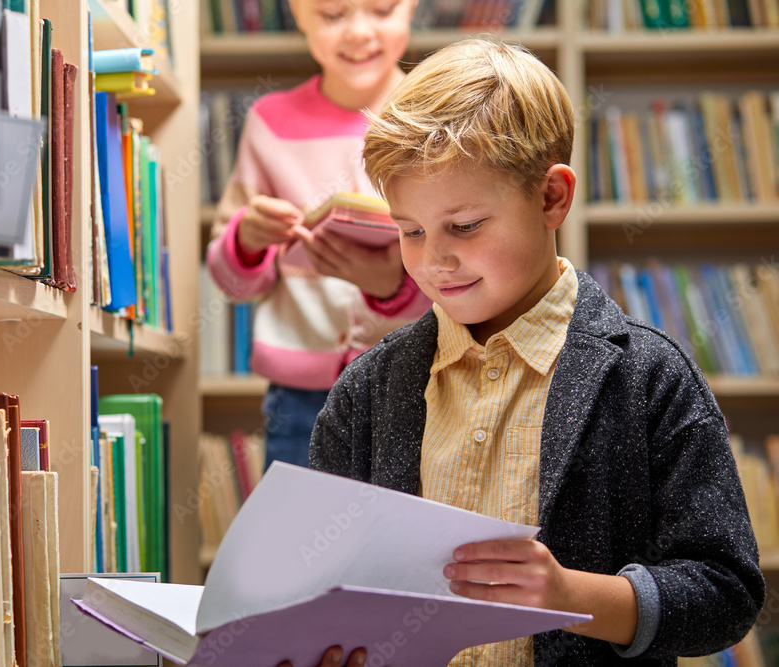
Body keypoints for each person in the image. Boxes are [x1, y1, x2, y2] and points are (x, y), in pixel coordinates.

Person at [284, 36, 765, 666]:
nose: (434, 260)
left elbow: (725, 592)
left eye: (464, 226)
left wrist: (571, 595)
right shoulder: (368, 390)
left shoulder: (648, 378)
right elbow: (323, 586)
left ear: (551, 198)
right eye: (411, 231)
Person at [205, 0, 430, 470]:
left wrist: (394, 288)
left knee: (408, 538)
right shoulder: (270, 123)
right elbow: (232, 283)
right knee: (301, 538)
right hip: (300, 398)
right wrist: (247, 239)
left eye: (383, 10)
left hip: (421, 380)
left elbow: (463, 263)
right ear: (299, 14)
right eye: (332, 15)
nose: (358, 32)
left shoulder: (438, 115)